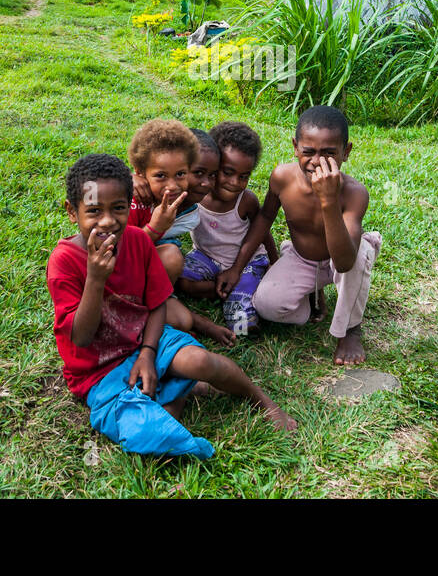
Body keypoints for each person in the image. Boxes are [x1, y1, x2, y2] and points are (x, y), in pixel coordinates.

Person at [45, 153, 296, 455]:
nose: (108, 221)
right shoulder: (64, 262)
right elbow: (81, 338)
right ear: (73, 212)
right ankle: (182, 390)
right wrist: (96, 279)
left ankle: (261, 399)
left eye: (119, 208)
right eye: (94, 211)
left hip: (145, 342)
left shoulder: (138, 241)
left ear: (131, 206)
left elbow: (156, 304)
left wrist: (148, 354)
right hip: (99, 371)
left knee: (202, 361)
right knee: (149, 433)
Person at [217, 106, 381, 365]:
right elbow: (264, 218)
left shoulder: (354, 193)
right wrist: (237, 267)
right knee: (267, 305)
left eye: (329, 153)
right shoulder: (282, 177)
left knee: (358, 258)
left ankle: (350, 328)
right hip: (305, 259)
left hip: (343, 258)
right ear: (295, 147)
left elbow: (344, 262)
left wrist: (328, 201)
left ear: (346, 152)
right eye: (308, 152)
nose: (317, 161)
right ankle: (312, 294)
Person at [128, 119, 236, 345]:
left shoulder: (190, 215)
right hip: (121, 271)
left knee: (184, 320)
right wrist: (130, 178)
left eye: (180, 174)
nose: (173, 184)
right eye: (197, 173)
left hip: (149, 269)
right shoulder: (135, 198)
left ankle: (158, 310)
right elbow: (123, 252)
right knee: (171, 256)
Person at [179, 121, 278, 335]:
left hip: (246, 262)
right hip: (206, 256)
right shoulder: (196, 193)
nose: (234, 182)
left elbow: (261, 232)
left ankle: (239, 289)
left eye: (244, 176)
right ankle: (222, 287)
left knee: (242, 326)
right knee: (179, 279)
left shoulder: (246, 201)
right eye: (227, 172)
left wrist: (274, 262)